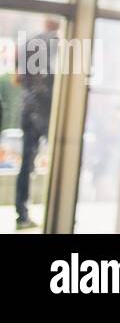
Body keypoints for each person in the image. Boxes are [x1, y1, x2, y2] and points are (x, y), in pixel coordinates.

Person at [14, 18, 59, 231]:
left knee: (26, 165)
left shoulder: (28, 43)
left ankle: (22, 214)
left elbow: (17, 78)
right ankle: (60, 212)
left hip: (29, 109)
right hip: (50, 110)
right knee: (62, 160)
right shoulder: (60, 44)